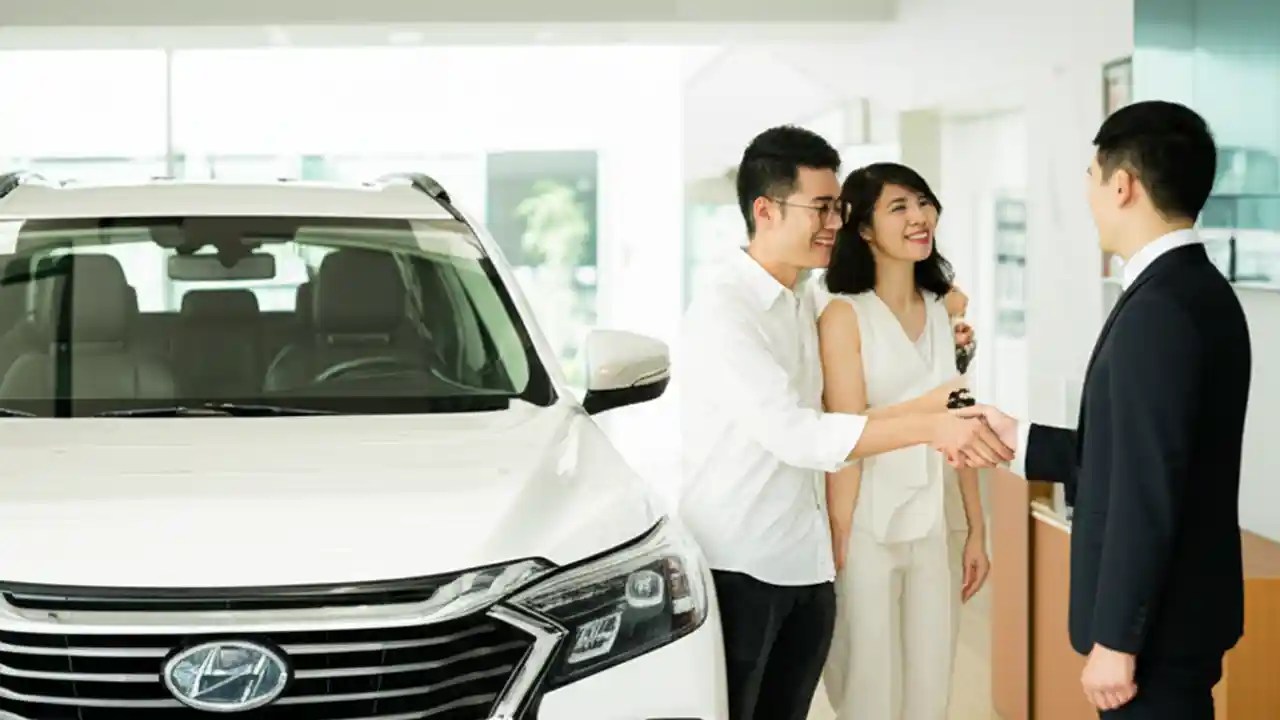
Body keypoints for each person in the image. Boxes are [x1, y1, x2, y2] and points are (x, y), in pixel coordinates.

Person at [677, 125, 1012, 720]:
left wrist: (940, 391)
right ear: (765, 210)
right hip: (742, 566)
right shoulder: (726, 311)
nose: (835, 221)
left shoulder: (804, 298)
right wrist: (931, 422)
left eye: (838, 207)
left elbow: (847, 408)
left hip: (806, 562)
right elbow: (801, 434)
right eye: (822, 207)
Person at [959, 101, 1251, 719]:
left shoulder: (1161, 308)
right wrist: (1021, 440)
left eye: (1091, 178)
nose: (1088, 195)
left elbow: (1149, 486)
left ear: (1123, 185)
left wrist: (1117, 641)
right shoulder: (1193, 289)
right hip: (1176, 621)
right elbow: (1143, 452)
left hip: (1154, 636)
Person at [816, 163, 990, 720]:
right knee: (868, 689)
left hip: (933, 523)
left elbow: (962, 422)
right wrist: (839, 537)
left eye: (923, 202)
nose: (919, 216)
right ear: (863, 228)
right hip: (867, 524)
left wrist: (976, 528)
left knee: (930, 687)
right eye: (899, 207)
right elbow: (846, 435)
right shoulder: (844, 315)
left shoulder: (940, 309)